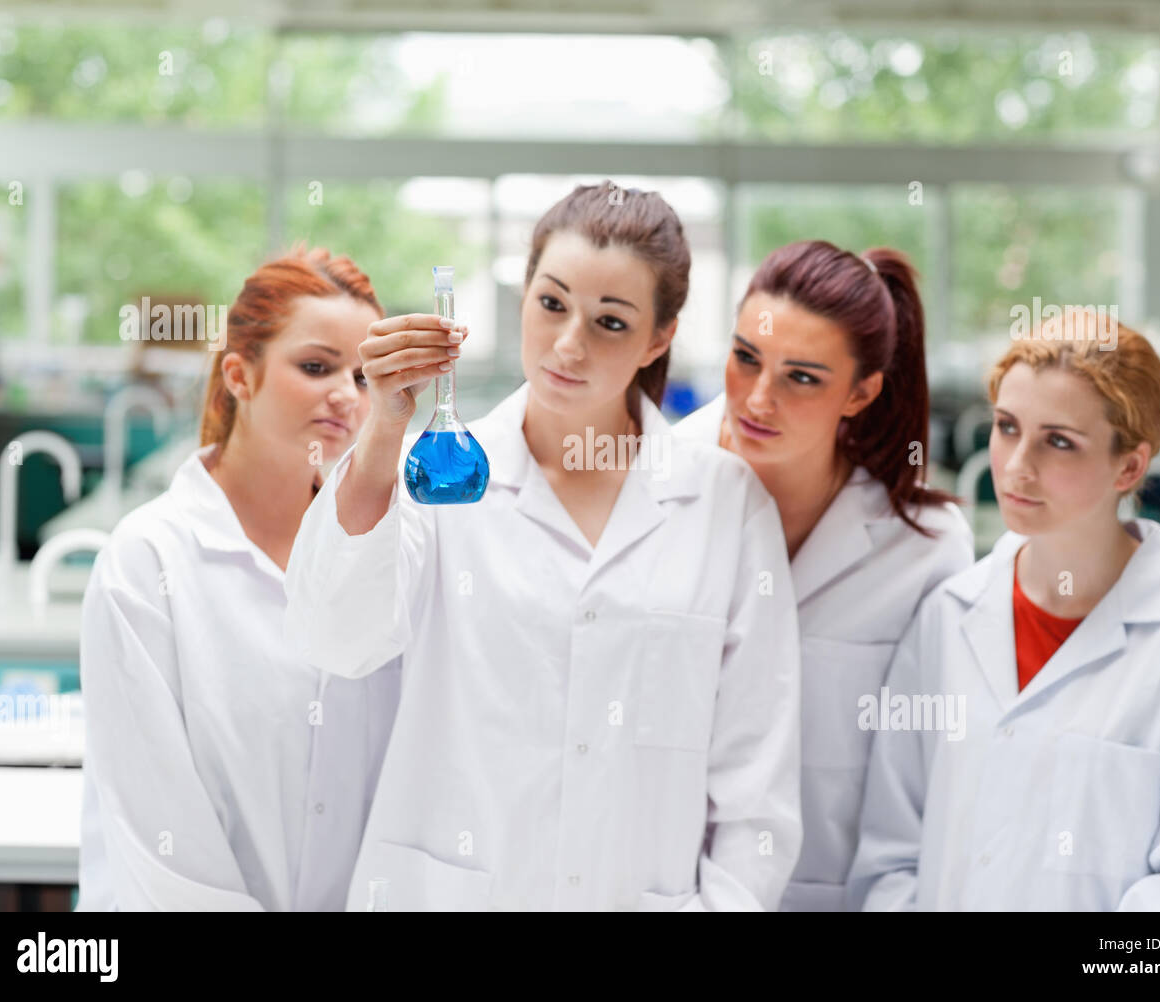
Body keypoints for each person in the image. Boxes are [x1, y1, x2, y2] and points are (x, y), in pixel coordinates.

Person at [282, 182, 802, 911]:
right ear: (522, 295)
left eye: (610, 322)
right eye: (551, 303)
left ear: (659, 338)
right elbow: (335, 640)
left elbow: (757, 793)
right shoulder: (437, 480)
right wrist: (381, 432)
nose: (568, 344)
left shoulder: (724, 503)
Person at [848, 308, 1160, 910]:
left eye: (1059, 442)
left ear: (1130, 466)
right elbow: (890, 856)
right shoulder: (947, 615)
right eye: (1007, 427)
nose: (1017, 466)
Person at [78, 247, 401, 910]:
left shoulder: (389, 557)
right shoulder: (148, 564)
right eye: (316, 366)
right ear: (239, 375)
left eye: (367, 378)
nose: (346, 393)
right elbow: (165, 848)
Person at [676, 240, 972, 910]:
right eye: (745, 356)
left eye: (802, 377)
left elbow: (939, 773)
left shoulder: (924, 550)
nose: (757, 398)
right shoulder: (649, 488)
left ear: (861, 391)